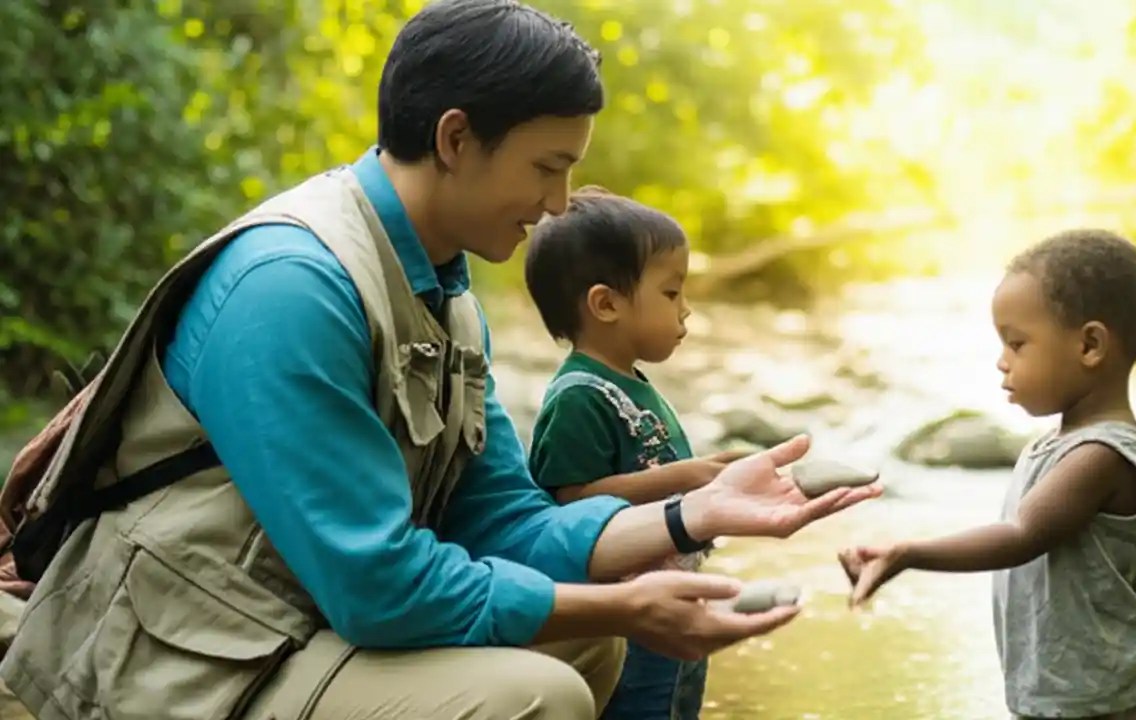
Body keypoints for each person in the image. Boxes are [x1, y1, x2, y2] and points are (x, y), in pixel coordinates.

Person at [0, 2, 881, 719]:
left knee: (584, 642)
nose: (559, 204)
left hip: (301, 624)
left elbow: (505, 523)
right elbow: (377, 585)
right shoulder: (292, 286)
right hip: (182, 664)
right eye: (547, 166)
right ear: (456, 139)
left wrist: (692, 514)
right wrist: (623, 600)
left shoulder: (447, 294)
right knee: (532, 694)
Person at [839, 229, 1136, 720]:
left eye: (1017, 344)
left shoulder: (1100, 456)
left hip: (1109, 701)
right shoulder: (1057, 445)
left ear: (1090, 346)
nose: (1002, 362)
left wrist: (908, 553)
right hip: (1071, 695)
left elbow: (1021, 535)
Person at [525, 188, 762, 720]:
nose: (686, 309)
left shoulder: (632, 383)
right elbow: (570, 500)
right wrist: (686, 475)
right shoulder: (580, 395)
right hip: (623, 614)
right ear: (606, 303)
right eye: (671, 293)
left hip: (673, 591)